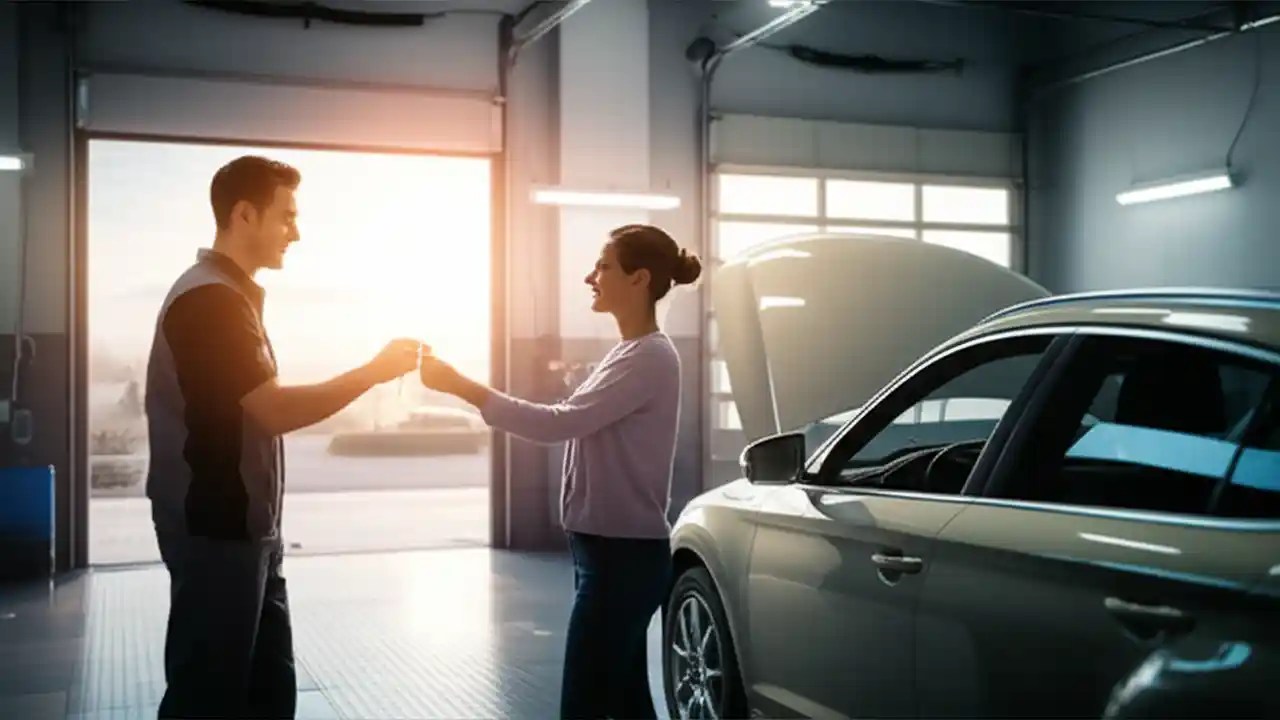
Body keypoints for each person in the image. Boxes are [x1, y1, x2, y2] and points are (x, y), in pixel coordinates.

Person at [144, 155, 423, 719]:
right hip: (216, 530)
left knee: (268, 692)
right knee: (210, 696)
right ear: (245, 215)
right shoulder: (211, 303)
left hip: (249, 532)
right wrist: (372, 372)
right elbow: (272, 410)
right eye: (286, 216)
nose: (296, 232)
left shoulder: (230, 295)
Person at [418, 223, 702, 719]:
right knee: (628, 702)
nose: (590, 276)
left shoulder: (650, 355)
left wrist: (460, 385)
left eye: (603, 266)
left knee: (585, 705)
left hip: (622, 561)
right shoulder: (630, 352)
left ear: (639, 279)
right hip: (609, 554)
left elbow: (560, 424)